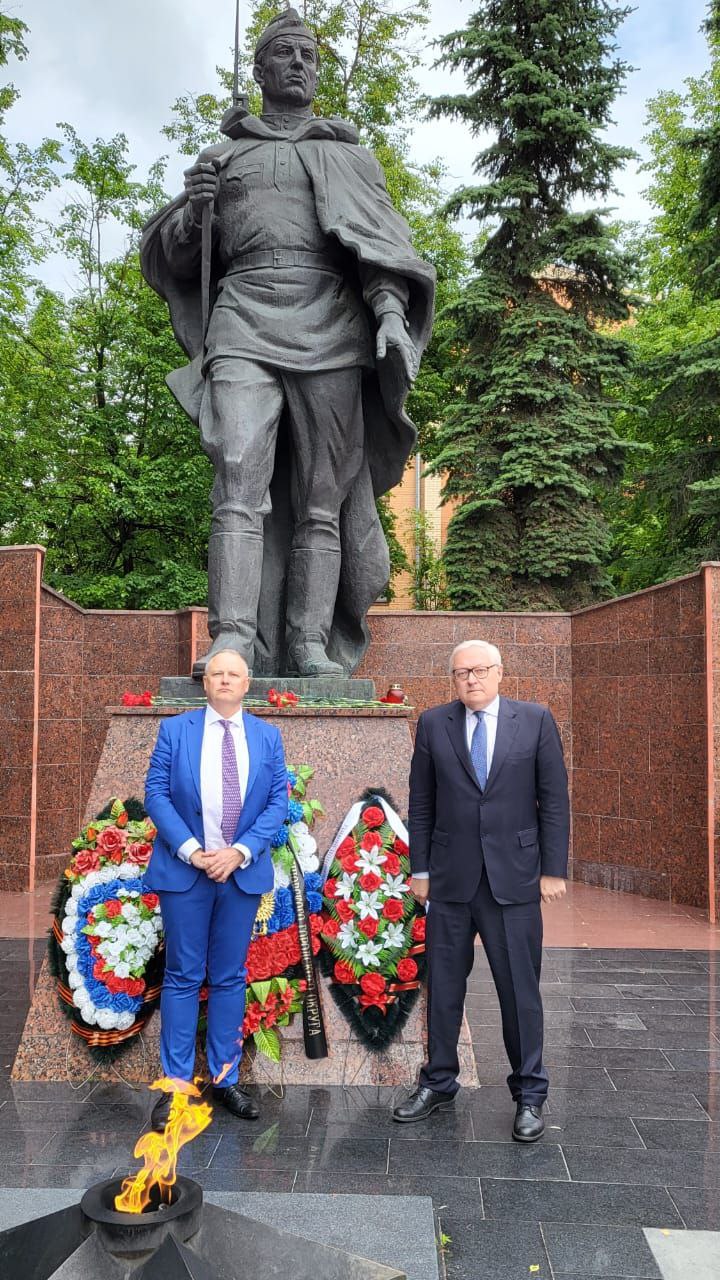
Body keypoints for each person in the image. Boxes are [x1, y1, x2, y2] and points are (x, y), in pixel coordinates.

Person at [140, 7, 435, 679]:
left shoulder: (348, 155)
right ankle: (233, 639)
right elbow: (183, 260)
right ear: (260, 69)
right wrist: (193, 210)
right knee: (237, 472)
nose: (300, 63)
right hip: (243, 316)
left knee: (321, 496)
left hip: (333, 324)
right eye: (286, 53)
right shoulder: (223, 155)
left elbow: (381, 248)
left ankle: (307, 644)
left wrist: (390, 312)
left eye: (309, 54)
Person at [393, 640, 569, 1141]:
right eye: (460, 673)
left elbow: (554, 799)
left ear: (498, 673)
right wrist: (420, 869)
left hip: (512, 880)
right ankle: (439, 1081)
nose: (469, 679)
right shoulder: (433, 724)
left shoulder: (534, 720)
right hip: (449, 880)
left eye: (478, 670)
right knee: (445, 986)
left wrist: (552, 870)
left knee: (519, 990)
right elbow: (421, 803)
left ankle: (530, 1094)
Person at [144, 649, 288, 1128]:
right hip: (187, 872)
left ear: (247, 685)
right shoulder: (175, 730)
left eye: (234, 674)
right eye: (216, 674)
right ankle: (177, 1087)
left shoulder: (268, 737)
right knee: (184, 975)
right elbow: (157, 794)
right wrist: (191, 849)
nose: (225, 680)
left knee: (229, 976)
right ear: (205, 684)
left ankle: (225, 1079)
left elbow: (276, 802)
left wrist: (239, 852)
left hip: (240, 873)